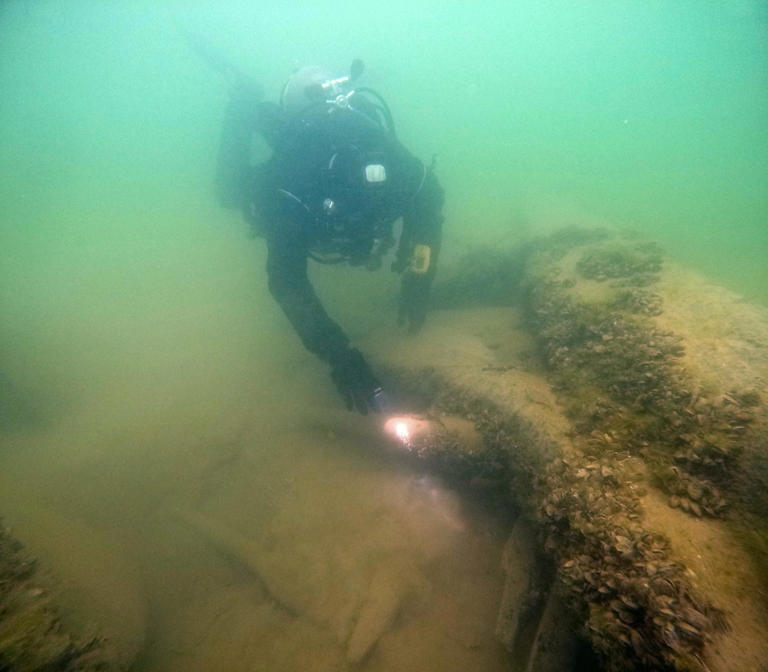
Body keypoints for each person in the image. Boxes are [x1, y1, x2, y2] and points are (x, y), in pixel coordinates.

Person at [215, 62, 444, 414]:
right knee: (231, 192)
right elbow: (286, 282)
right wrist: (340, 356)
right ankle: (244, 101)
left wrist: (419, 275)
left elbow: (428, 202)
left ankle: (251, 102)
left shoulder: (383, 153)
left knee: (412, 192)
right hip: (295, 181)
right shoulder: (290, 185)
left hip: (324, 174)